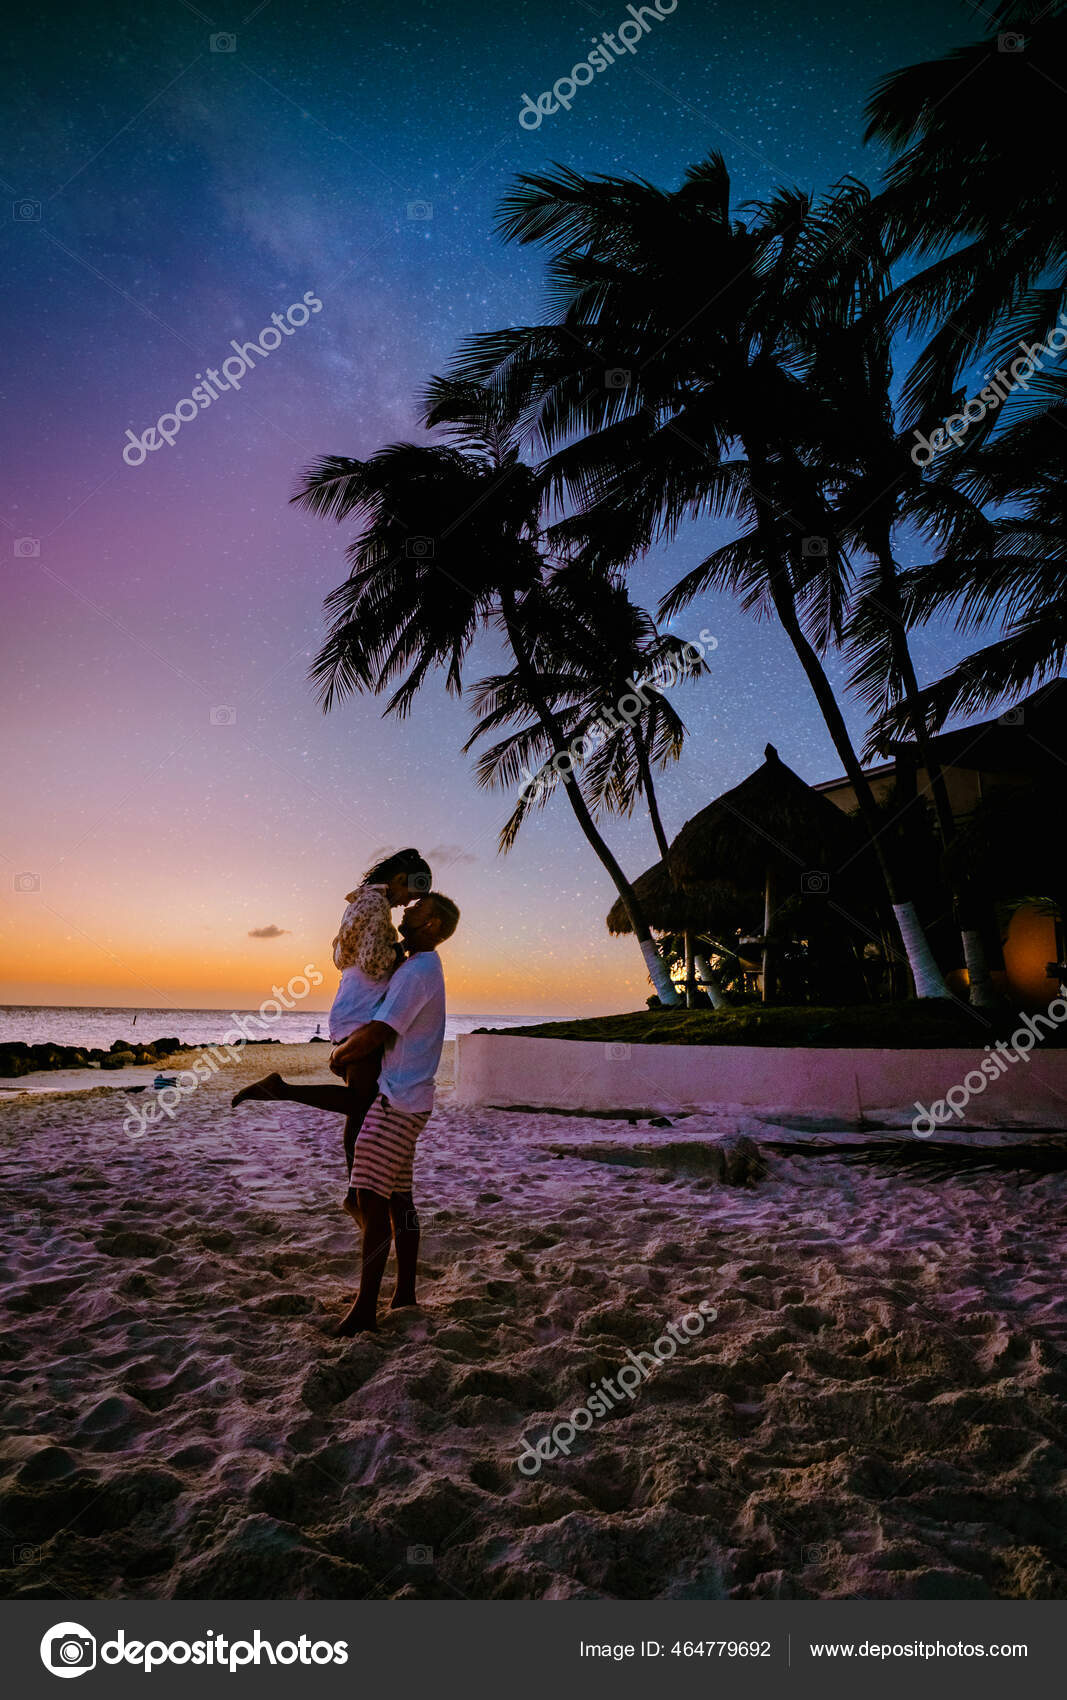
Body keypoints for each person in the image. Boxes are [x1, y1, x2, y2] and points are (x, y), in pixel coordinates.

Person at [232, 848, 431, 1175]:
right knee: (361, 1102)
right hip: (363, 1008)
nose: (407, 904)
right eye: (411, 894)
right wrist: (402, 951)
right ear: (399, 879)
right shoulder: (377, 905)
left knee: (359, 1107)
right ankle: (281, 1089)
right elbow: (374, 962)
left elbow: (340, 956)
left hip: (350, 1004)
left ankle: (354, 1182)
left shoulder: (358, 903)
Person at [330, 890, 459, 1335]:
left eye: (418, 908)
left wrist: (341, 1053)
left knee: (371, 1200)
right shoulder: (419, 965)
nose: (407, 908)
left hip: (395, 1100)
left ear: (433, 924)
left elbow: (380, 1030)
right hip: (410, 1097)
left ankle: (365, 1309)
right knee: (400, 1199)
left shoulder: (418, 972)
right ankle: (404, 1293)